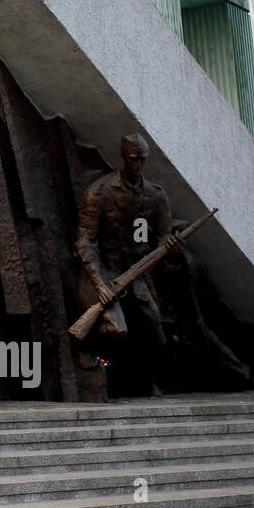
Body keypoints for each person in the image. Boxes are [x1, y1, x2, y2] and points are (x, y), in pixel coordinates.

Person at [74, 133, 184, 396]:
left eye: (142, 159)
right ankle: (97, 363)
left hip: (138, 272)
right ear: (124, 158)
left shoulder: (155, 195)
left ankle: (146, 380)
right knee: (115, 330)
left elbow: (162, 235)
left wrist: (170, 246)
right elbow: (84, 243)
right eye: (134, 159)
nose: (138, 165)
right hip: (105, 271)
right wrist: (100, 285)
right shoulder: (99, 192)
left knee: (154, 326)